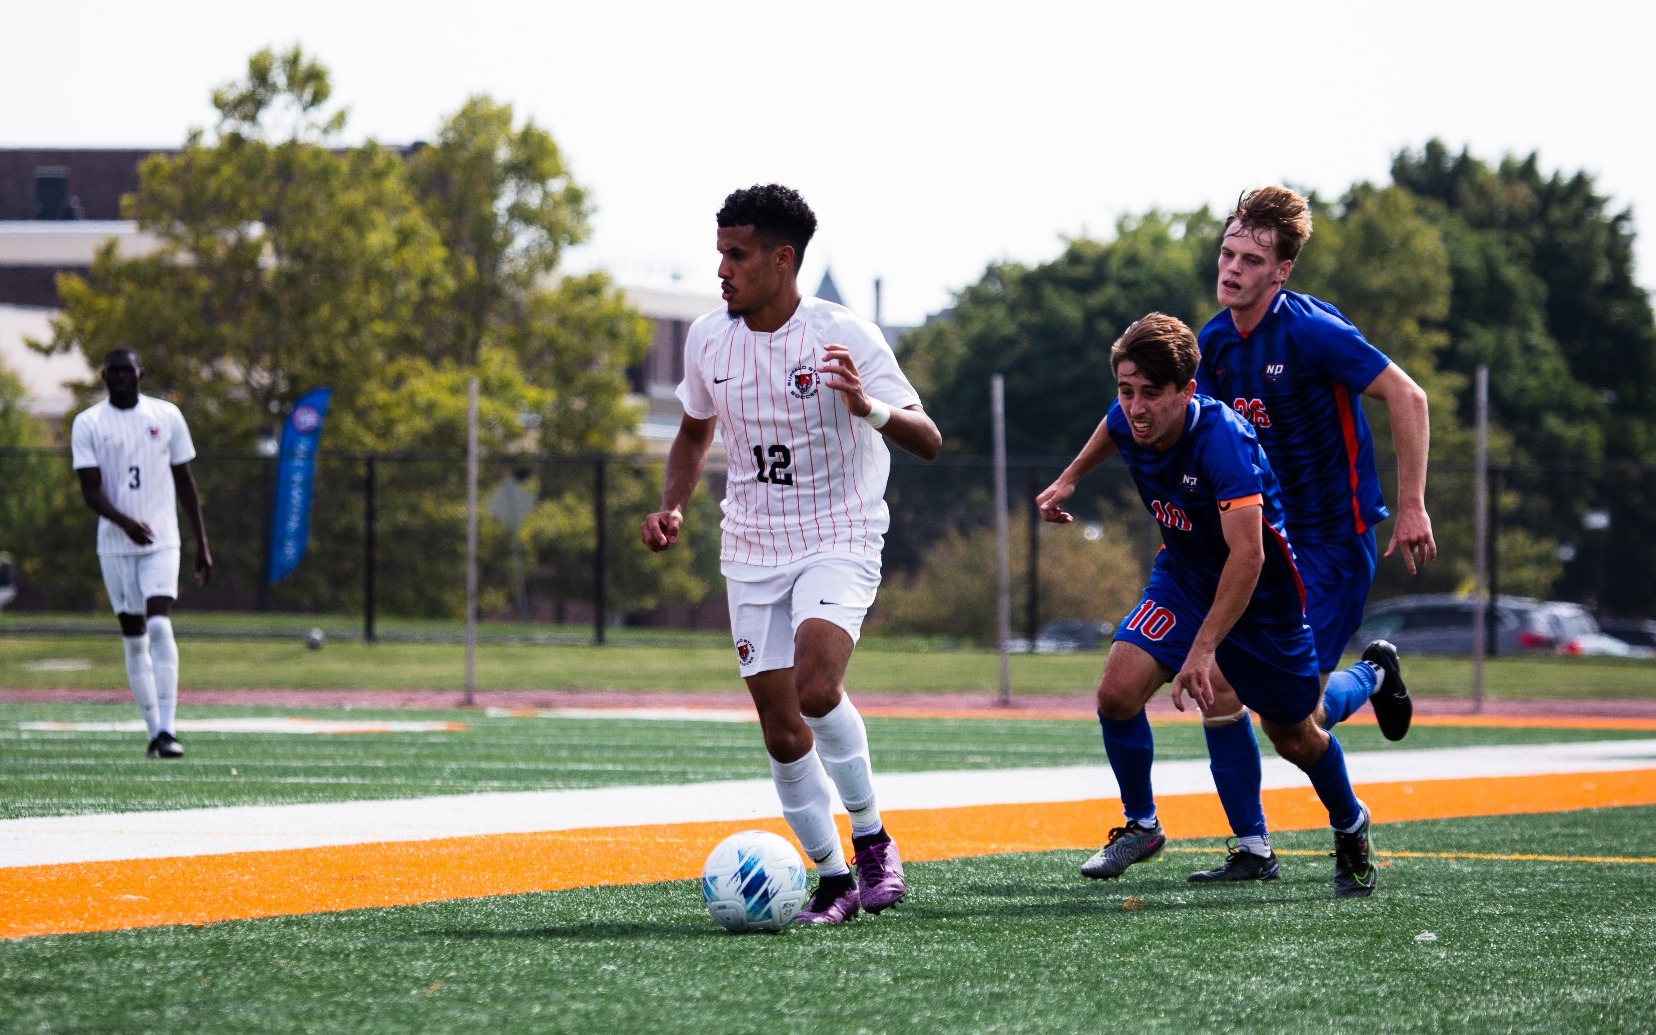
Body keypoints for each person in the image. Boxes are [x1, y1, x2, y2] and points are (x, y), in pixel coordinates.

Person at [642, 184, 942, 924]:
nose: (723, 269)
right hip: (751, 544)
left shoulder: (844, 335)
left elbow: (929, 438)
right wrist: (673, 503)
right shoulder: (708, 338)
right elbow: (693, 431)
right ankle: (834, 880)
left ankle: (872, 838)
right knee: (782, 731)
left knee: (816, 686)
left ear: (783, 259)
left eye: (738, 255)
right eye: (720, 253)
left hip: (839, 533)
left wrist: (867, 407)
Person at [1036, 313, 1377, 899]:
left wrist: (1202, 649)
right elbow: (1113, 424)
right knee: (1116, 693)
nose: (1135, 407)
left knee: (1295, 733)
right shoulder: (1131, 414)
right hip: (1184, 577)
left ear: (1187, 391)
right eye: (1125, 390)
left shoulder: (1223, 441)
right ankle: (1143, 826)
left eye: (1150, 394)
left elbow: (1249, 556)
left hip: (1261, 599)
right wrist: (1069, 479)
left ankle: (1351, 822)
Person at [1176, 185, 1434, 881]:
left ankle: (1371, 681)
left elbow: (1409, 396)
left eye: (1252, 260)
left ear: (1281, 271)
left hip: (1330, 547)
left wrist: (1412, 505)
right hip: (1265, 545)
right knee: (1219, 686)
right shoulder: (1213, 343)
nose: (1232, 268)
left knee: (1295, 722)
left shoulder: (1312, 332)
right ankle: (1252, 848)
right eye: (1228, 253)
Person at [71, 347, 212, 759]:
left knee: (160, 626)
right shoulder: (88, 423)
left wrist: (202, 543)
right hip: (115, 545)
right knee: (134, 640)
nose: (120, 377)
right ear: (104, 376)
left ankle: (168, 729)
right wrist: (124, 523)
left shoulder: (167, 416)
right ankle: (153, 733)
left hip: (162, 541)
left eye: (126, 371)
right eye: (113, 371)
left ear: (140, 374)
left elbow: (185, 482)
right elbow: (90, 491)